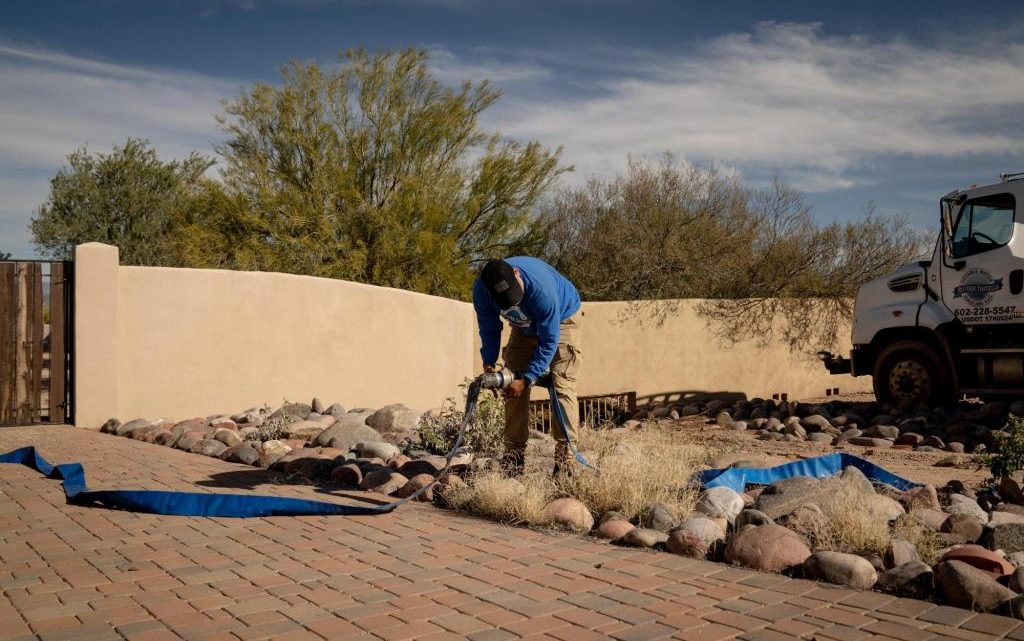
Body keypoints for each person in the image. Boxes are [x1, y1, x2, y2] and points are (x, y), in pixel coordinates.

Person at [472, 257, 582, 476]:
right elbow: (489, 328)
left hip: (562, 319)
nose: (513, 303)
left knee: (562, 385)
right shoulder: (482, 292)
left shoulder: (543, 292)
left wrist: (528, 377)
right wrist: (490, 364)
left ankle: (566, 460)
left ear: (517, 274)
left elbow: (550, 341)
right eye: (506, 301)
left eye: (515, 295)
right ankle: (513, 457)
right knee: (510, 385)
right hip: (522, 328)